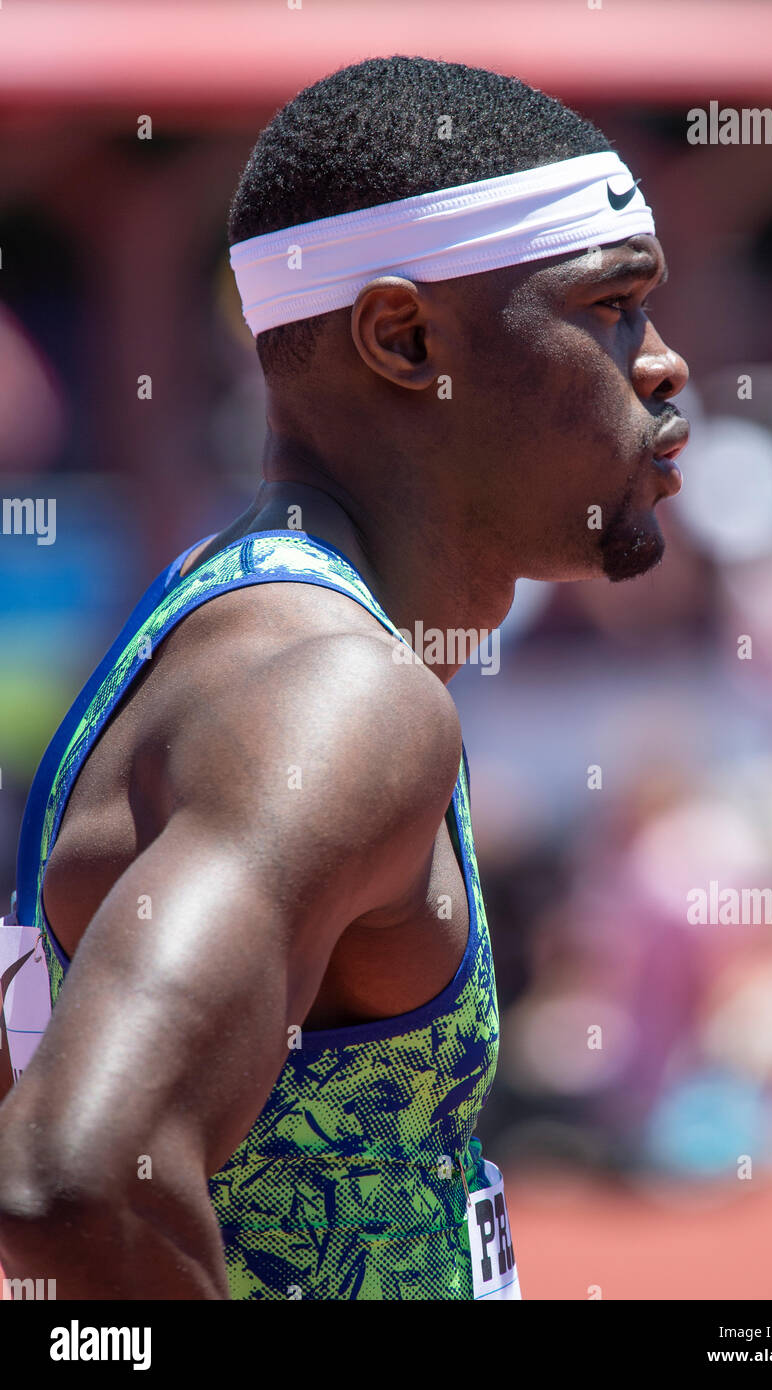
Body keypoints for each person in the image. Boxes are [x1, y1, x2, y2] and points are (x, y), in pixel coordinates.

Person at [0, 54, 688, 1300]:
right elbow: (72, 1183)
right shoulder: (331, 694)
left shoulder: (226, 625)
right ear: (404, 337)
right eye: (612, 306)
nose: (664, 365)